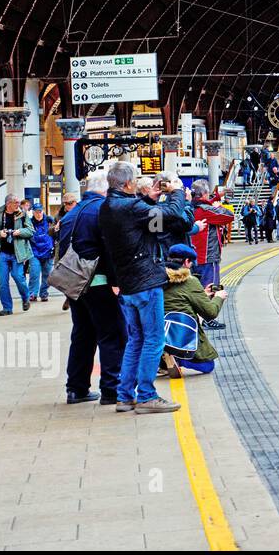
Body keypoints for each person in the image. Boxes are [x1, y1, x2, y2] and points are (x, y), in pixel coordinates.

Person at [97, 163, 195, 414]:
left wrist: (146, 198)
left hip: (128, 283)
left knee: (135, 340)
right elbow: (172, 216)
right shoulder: (130, 207)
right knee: (154, 339)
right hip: (146, 282)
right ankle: (147, 396)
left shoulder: (108, 207)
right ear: (129, 184)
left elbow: (142, 220)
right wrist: (175, 191)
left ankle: (125, 395)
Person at [57, 171, 125, 405]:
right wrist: (116, 282)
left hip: (75, 285)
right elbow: (109, 250)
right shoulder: (101, 211)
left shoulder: (71, 214)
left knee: (83, 335)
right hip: (98, 282)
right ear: (105, 189)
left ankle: (76, 389)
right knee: (113, 334)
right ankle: (111, 389)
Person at [159, 243, 225, 378]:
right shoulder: (190, 281)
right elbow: (210, 313)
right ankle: (177, 359)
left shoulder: (159, 277)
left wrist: (203, 294)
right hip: (181, 335)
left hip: (160, 335)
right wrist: (218, 298)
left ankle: (164, 361)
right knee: (208, 366)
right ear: (186, 262)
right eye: (191, 263)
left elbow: (179, 297)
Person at [0, 194, 33, 315]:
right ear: (8, 204)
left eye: (18, 202)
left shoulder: (22, 214)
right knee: (3, 282)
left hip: (17, 253)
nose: (18, 204)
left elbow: (31, 231)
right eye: (16, 202)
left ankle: (25, 297)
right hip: (2, 253)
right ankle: (7, 308)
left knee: (18, 277)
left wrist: (20, 232)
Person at [190, 179, 233, 288]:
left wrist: (217, 196)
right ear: (205, 194)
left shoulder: (188, 207)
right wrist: (219, 206)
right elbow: (229, 216)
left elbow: (203, 203)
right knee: (211, 291)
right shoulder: (206, 211)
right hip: (207, 258)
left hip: (192, 258)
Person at [27, 201, 55, 302]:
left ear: (43, 211)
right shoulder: (29, 222)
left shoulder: (49, 220)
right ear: (33, 212)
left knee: (47, 275)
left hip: (48, 252)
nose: (38, 214)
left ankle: (43, 293)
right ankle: (33, 294)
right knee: (34, 273)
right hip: (34, 252)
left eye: (40, 212)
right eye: (36, 212)